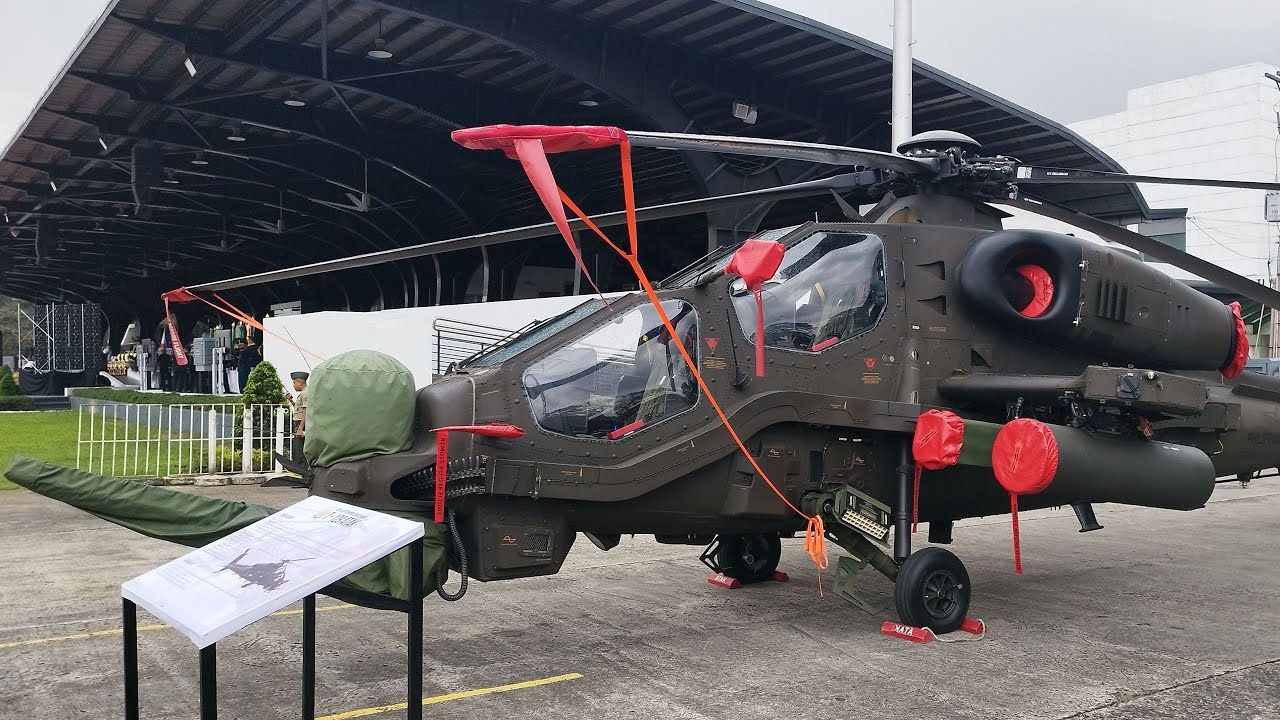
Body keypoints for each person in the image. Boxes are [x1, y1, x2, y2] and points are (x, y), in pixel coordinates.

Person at [287, 371, 309, 464]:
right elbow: (299, 408)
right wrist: (291, 400)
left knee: (299, 447)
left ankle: (301, 468)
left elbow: (306, 410)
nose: (293, 385)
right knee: (297, 446)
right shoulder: (304, 393)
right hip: (299, 422)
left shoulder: (306, 393)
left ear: (300, 382)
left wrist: (300, 428)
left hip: (301, 423)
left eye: (294, 383)